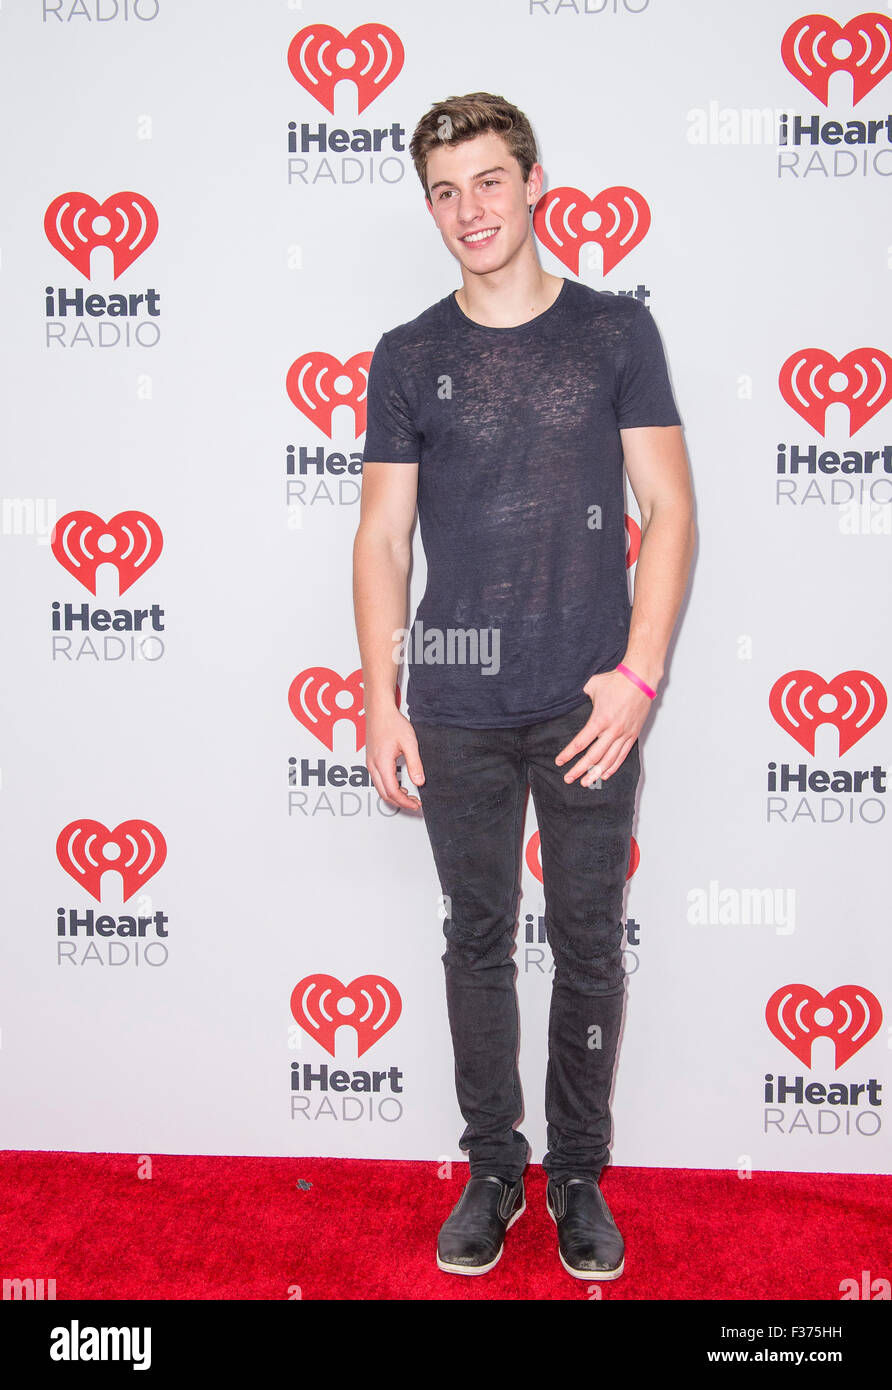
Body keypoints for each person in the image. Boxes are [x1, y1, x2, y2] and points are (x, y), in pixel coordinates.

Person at [352, 92, 695, 1280]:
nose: (467, 209)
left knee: (590, 941)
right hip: (451, 692)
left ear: (534, 180)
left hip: (588, 694)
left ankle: (579, 1172)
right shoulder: (406, 356)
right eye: (444, 190)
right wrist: (380, 695)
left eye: (488, 180)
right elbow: (383, 539)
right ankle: (494, 1166)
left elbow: (671, 510)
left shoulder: (612, 332)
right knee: (478, 938)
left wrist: (637, 677)